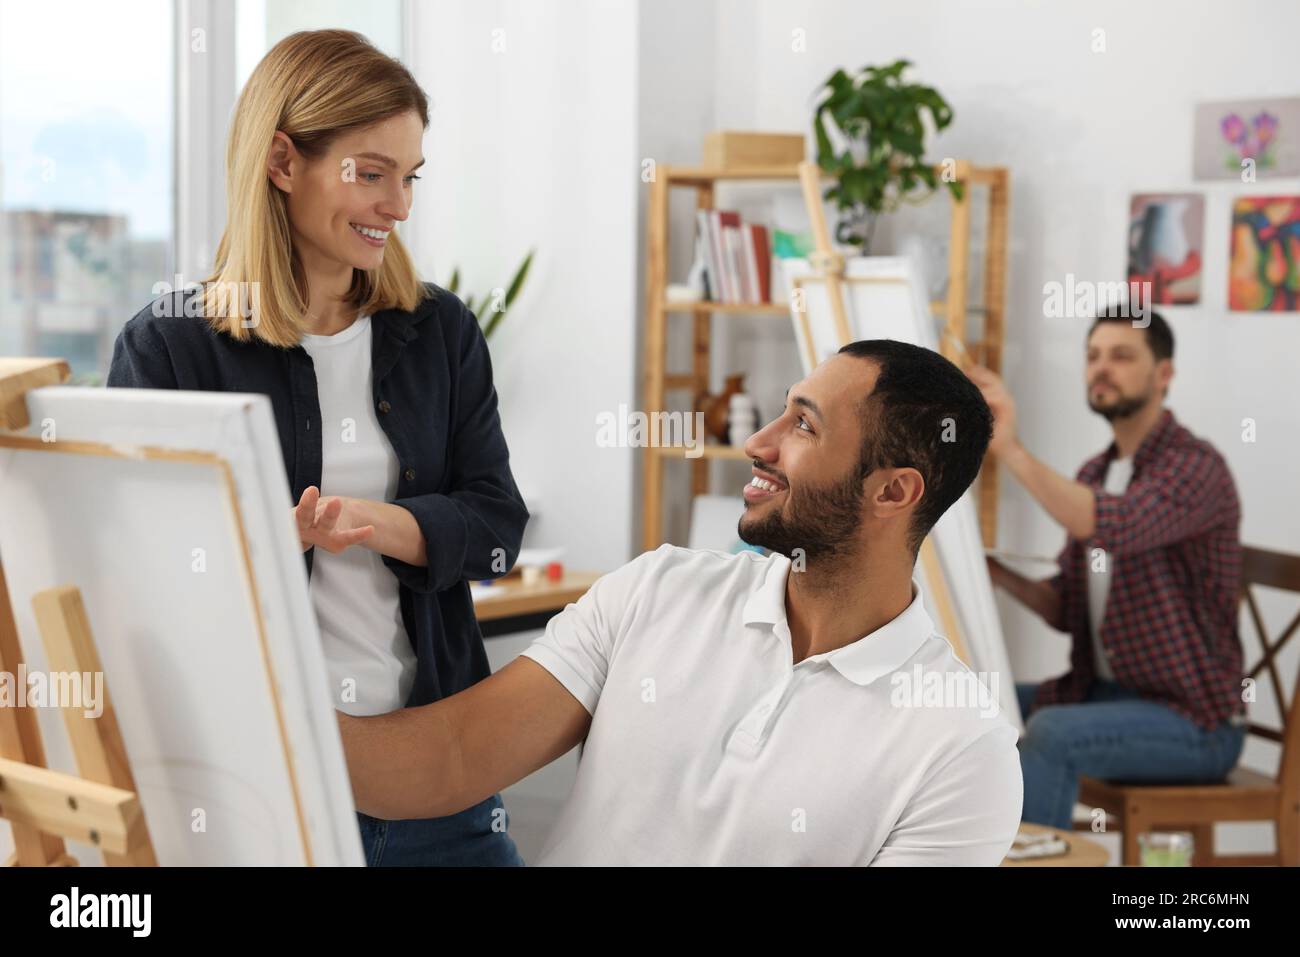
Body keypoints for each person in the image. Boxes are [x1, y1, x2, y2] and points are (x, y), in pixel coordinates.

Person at [337, 340, 1023, 865]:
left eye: (803, 427)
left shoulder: (962, 748)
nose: (759, 443)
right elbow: (451, 756)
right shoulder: (656, 590)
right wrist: (255, 715)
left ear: (893, 492)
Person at [106, 30, 529, 865]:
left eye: (409, 178)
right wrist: (265, 538)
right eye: (370, 174)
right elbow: (137, 579)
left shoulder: (439, 331)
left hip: (437, 773)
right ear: (281, 161)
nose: (400, 206)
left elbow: (495, 527)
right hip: (262, 782)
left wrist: (379, 522)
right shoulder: (169, 347)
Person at [969, 306, 1246, 831]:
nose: (1101, 368)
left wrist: (1010, 450)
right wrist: (996, 575)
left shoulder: (1195, 468)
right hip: (1103, 696)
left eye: (1121, 356)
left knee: (1052, 733)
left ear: (1164, 375)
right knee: (974, 702)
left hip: (1196, 721)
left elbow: (1114, 526)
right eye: (1093, 356)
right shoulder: (1095, 473)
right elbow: (1067, 609)